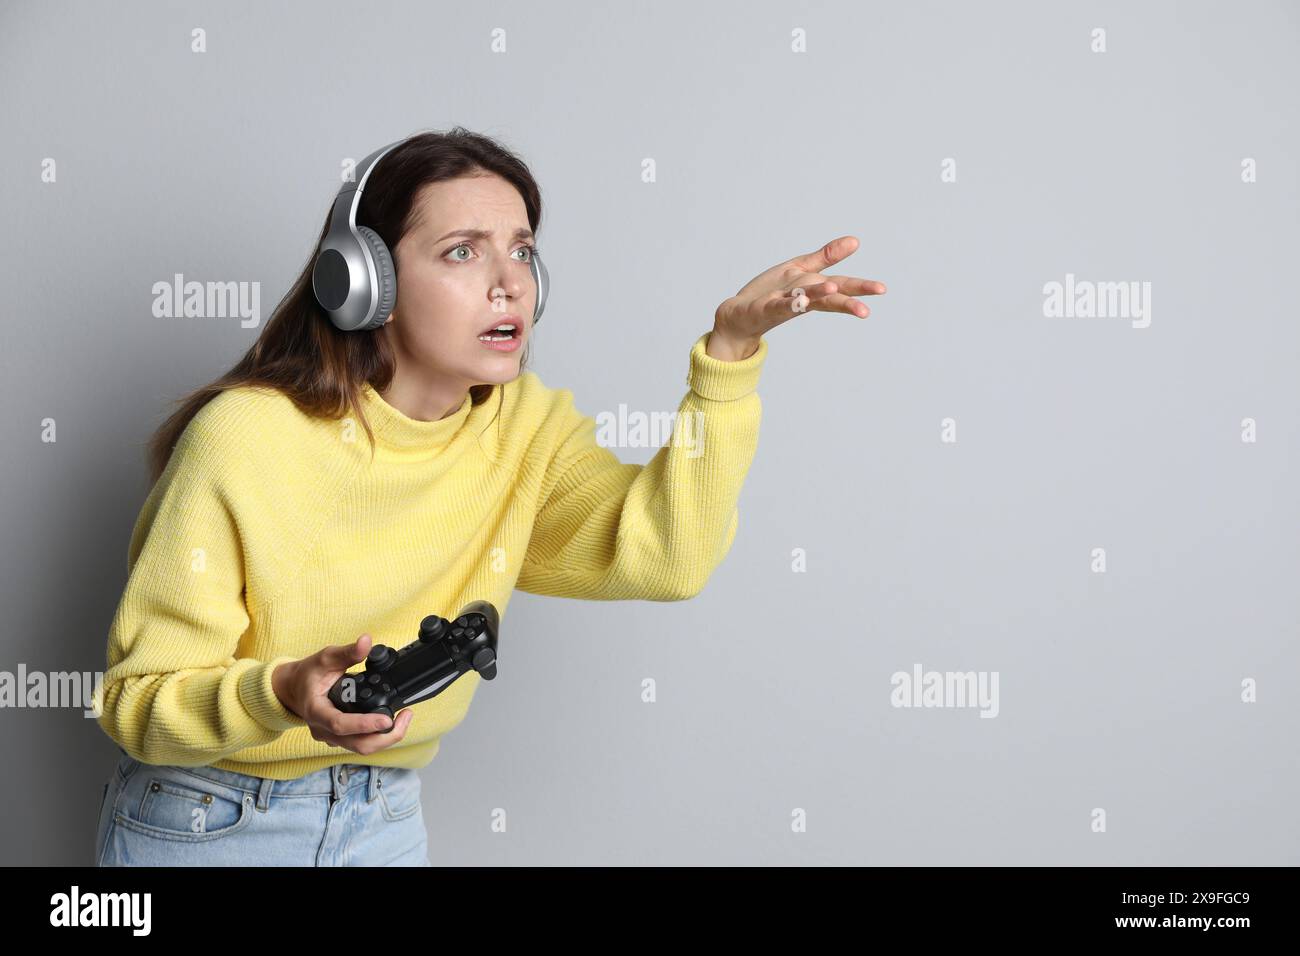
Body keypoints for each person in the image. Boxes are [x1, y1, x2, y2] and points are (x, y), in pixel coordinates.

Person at [92, 126, 887, 866]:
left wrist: (729, 356)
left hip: (384, 815)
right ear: (365, 279)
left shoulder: (526, 430)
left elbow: (667, 558)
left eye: (522, 250)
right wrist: (283, 691)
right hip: (211, 816)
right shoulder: (247, 438)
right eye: (463, 251)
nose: (510, 283)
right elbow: (140, 702)